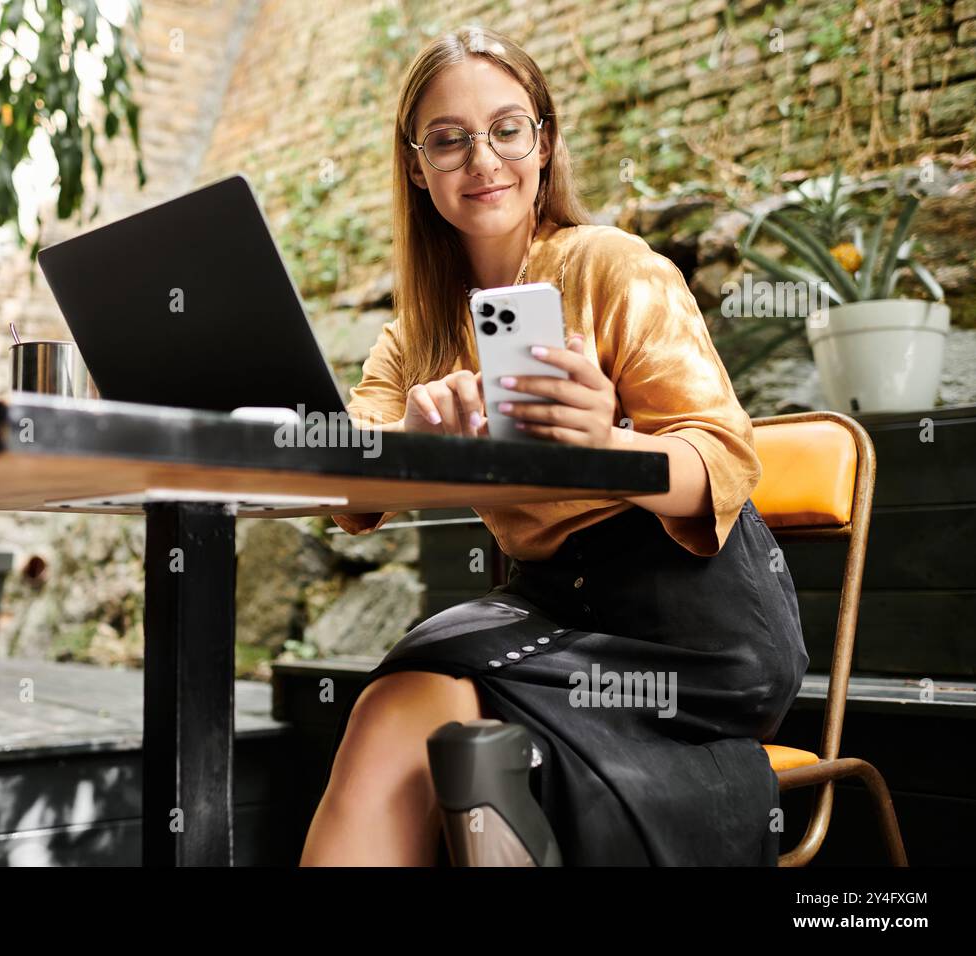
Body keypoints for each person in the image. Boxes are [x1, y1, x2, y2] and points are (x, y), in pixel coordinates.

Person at [298, 25, 808, 866]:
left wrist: (607, 445)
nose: (482, 160)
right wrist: (410, 438)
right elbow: (351, 494)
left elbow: (722, 459)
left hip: (696, 619)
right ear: (416, 166)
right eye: (449, 140)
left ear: (543, 143)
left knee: (417, 709)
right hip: (550, 609)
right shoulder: (417, 337)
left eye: (507, 129)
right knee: (393, 708)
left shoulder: (614, 267)